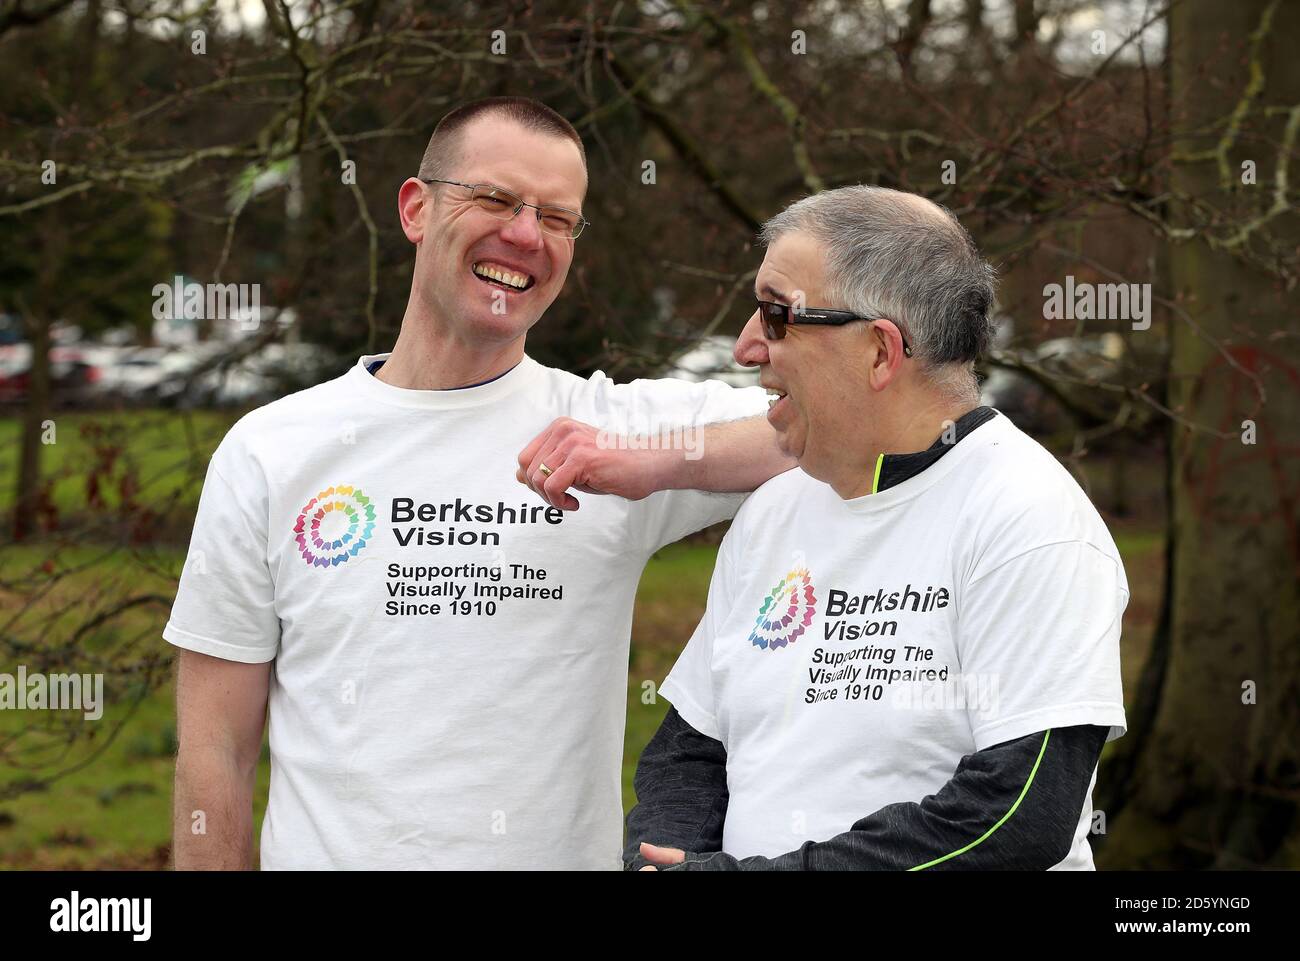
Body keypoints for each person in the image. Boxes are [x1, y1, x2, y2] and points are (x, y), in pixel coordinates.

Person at [166, 97, 793, 870]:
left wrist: (653, 461)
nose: (526, 235)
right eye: (494, 199)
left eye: (558, 219)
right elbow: (214, 754)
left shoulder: (608, 428)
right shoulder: (270, 450)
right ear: (415, 208)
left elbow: (833, 428)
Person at [625, 186, 1128, 871]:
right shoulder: (776, 509)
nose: (746, 346)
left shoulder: (1030, 518)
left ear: (880, 352)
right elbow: (688, 753)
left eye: (777, 315)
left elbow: (1017, 815)